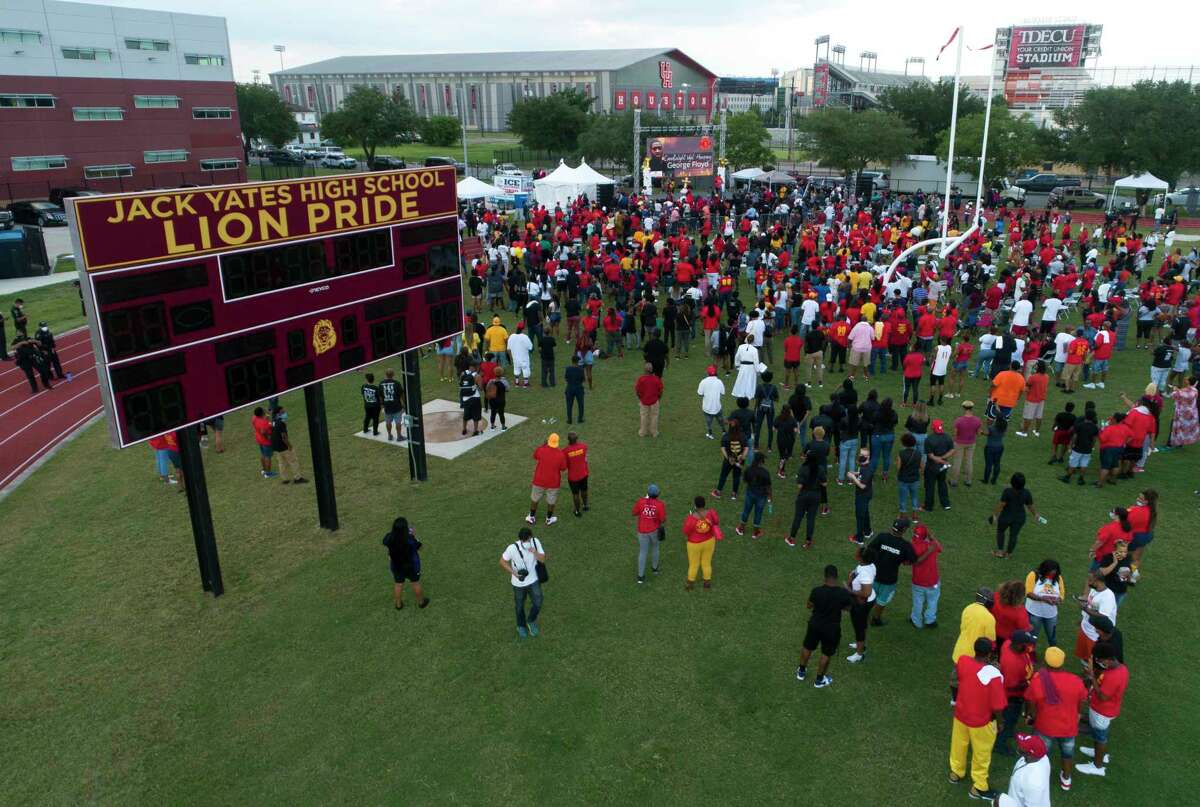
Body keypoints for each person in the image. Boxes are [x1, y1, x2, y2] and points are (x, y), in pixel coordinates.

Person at [1023, 646, 1088, 792]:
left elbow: (1030, 702)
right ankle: (1066, 779)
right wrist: (1078, 713)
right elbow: (1082, 699)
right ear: (1063, 663)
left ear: (1045, 663)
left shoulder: (1038, 680)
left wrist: (1031, 717)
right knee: (1067, 754)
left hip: (1045, 726)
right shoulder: (1075, 680)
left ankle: (1038, 779)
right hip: (1068, 727)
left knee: (1041, 754)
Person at [948, 637, 1005, 801]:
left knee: (958, 745)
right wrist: (1000, 722)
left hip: (961, 714)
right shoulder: (994, 675)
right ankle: (979, 787)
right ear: (989, 654)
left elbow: (959, 680)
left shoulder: (963, 660)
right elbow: (998, 706)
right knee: (982, 753)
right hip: (982, 721)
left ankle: (956, 773)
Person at [796, 564, 855, 689]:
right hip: (831, 628)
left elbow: (809, 605)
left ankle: (801, 672)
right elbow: (849, 608)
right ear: (836, 577)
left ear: (825, 577)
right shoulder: (843, 593)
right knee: (826, 654)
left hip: (815, 624)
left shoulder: (817, 591)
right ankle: (819, 680)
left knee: (808, 647)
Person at [1076, 642, 1129, 779]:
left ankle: (1097, 766)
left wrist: (1092, 677)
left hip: (1102, 711)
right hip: (1106, 710)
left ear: (1107, 659)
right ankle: (1098, 753)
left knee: (1100, 737)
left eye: (1099, 660)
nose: (1098, 662)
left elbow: (1102, 696)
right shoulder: (1122, 668)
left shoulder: (1113, 676)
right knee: (1098, 734)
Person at [866, 518, 916, 626]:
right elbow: (912, 560)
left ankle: (863, 614)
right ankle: (876, 619)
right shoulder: (905, 545)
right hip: (889, 580)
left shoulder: (882, 537)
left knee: (870, 596)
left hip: (874, 575)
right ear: (904, 530)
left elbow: (870, 549)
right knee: (882, 601)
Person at [952, 587, 997, 701]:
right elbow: (991, 641)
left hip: (960, 650)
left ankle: (954, 700)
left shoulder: (968, 608)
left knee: (956, 679)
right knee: (971, 681)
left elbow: (963, 627)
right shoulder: (989, 618)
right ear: (987, 601)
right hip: (976, 655)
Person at [996, 631, 1036, 756]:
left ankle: (1008, 731)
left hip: (1018, 693)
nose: (1029, 647)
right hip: (1012, 698)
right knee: (1008, 719)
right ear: (1019, 645)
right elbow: (1011, 686)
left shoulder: (1008, 644)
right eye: (1027, 644)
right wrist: (1029, 683)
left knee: (1012, 719)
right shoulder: (1012, 663)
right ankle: (1000, 745)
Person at [500, 527, 546, 638]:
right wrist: (514, 573)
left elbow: (542, 559)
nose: (527, 542)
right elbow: (502, 561)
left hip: (533, 580)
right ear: (520, 539)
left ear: (531, 537)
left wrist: (534, 552)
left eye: (528, 539)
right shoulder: (512, 548)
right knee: (519, 606)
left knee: (538, 601)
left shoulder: (535, 542)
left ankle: (530, 620)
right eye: (525, 540)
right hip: (518, 584)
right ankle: (521, 626)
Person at [988, 472, 1043, 558]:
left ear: (1012, 482)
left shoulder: (1007, 492)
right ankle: (1008, 554)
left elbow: (1001, 505)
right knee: (1013, 535)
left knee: (1000, 531)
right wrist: (1036, 514)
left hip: (1006, 516)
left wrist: (995, 515)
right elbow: (1030, 506)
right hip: (1019, 518)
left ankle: (999, 552)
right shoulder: (1026, 493)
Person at [383, 517, 428, 610]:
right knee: (415, 583)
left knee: (398, 584)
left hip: (396, 566)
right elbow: (420, 547)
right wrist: (414, 536)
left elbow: (386, 542)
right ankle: (421, 602)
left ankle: (398, 605)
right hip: (411, 566)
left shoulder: (389, 537)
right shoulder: (410, 539)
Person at [997, 734, 1053, 807]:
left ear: (1030, 755)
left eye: (1021, 749)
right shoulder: (1042, 757)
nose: (1018, 747)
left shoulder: (1033, 784)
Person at [1074, 571, 1118, 664]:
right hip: (1085, 628)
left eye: (1090, 580)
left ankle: (1093, 675)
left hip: (1095, 635)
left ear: (1097, 581)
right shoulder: (1094, 589)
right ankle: (1086, 668)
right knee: (1084, 656)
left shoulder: (1108, 596)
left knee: (1095, 659)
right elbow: (1091, 605)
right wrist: (1083, 618)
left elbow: (1103, 616)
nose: (1088, 583)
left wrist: (1085, 609)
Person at [682, 495, 721, 591]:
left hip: (694, 544)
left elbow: (686, 531)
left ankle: (690, 585)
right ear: (704, 504)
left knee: (693, 564)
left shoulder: (691, 518)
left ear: (695, 505)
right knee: (706, 563)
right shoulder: (711, 513)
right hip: (709, 541)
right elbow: (716, 521)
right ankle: (707, 584)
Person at [528, 433, 567, 526]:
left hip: (539, 479)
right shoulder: (561, 454)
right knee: (551, 501)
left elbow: (535, 456)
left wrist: (543, 445)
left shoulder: (541, 449)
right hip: (553, 481)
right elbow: (563, 468)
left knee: (535, 498)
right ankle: (548, 519)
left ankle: (531, 517)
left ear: (548, 441)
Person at [631, 483, 667, 584]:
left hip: (642, 531)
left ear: (648, 493)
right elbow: (663, 519)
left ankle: (640, 577)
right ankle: (655, 569)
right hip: (654, 531)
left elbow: (634, 512)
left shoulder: (641, 501)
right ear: (658, 494)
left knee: (643, 552)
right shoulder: (660, 505)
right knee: (655, 548)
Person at [909, 523, 942, 629]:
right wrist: (932, 538)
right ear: (926, 535)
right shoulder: (932, 545)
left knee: (918, 602)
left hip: (918, 581)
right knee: (933, 601)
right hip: (933, 581)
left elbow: (908, 561)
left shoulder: (911, 546)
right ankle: (930, 620)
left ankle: (916, 621)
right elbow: (940, 549)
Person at [1025, 560, 1064, 647]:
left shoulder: (1058, 578)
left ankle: (1053, 654)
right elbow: (1028, 593)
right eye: (1051, 571)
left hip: (1051, 615)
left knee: (1052, 637)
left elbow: (1061, 595)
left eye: (1055, 571)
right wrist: (1043, 599)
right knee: (1033, 636)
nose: (1053, 573)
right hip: (1035, 613)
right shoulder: (1033, 575)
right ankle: (1031, 654)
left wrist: (1058, 601)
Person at [846, 546, 875, 664]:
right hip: (866, 601)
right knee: (862, 624)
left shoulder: (865, 573)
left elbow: (866, 593)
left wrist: (849, 590)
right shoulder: (869, 565)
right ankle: (860, 643)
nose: (856, 552)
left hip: (862, 603)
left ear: (861, 557)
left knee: (859, 628)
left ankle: (859, 653)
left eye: (858, 552)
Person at [735, 453, 772, 539]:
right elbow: (768, 487)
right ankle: (755, 532)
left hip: (750, 493)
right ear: (761, 461)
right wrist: (770, 497)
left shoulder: (749, 469)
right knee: (758, 513)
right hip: (761, 496)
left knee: (746, 511)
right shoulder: (765, 472)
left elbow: (745, 480)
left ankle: (741, 529)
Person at [923, 419, 956, 512]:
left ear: (933, 428)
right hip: (943, 467)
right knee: (942, 483)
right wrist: (943, 459)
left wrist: (939, 460)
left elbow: (930, 455)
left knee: (930, 486)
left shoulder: (929, 439)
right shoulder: (948, 437)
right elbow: (952, 450)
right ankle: (946, 504)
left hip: (931, 467)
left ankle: (928, 506)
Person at [1059, 410, 1099, 485]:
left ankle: (1067, 477)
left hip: (1078, 448)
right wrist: (1092, 446)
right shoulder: (1095, 427)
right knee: (1084, 464)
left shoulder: (1080, 425)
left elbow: (1075, 436)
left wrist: (1071, 445)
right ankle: (1081, 479)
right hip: (1088, 449)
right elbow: (1094, 439)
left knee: (1073, 462)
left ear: (1085, 416)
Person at [270, 405, 306, 484]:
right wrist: (289, 445)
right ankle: (298, 478)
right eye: (283, 412)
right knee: (293, 461)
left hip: (275, 446)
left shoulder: (274, 421)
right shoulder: (281, 423)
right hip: (283, 446)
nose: (285, 413)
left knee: (281, 463)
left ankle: (285, 479)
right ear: (278, 413)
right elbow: (284, 436)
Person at [713, 420, 748, 500]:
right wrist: (742, 457)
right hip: (739, 460)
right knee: (736, 476)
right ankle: (734, 494)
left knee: (723, 475)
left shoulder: (726, 436)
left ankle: (718, 492)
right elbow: (746, 448)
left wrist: (728, 458)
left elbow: (723, 448)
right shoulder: (742, 435)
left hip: (729, 460)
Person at [846, 447, 874, 545]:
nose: (861, 456)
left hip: (863, 495)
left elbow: (862, 486)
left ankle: (859, 538)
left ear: (868, 457)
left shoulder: (867, 469)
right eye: (860, 454)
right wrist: (856, 473)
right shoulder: (864, 466)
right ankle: (868, 532)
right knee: (865, 513)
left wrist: (853, 477)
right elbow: (862, 473)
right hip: (866, 494)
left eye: (864, 455)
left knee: (860, 516)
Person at [950, 401, 981, 486]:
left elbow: (954, 434)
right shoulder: (977, 420)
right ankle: (968, 481)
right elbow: (978, 433)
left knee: (957, 461)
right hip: (971, 443)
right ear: (972, 408)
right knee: (969, 461)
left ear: (964, 408)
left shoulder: (958, 420)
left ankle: (954, 481)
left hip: (959, 443)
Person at [1017, 361, 1050, 437]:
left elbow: (1027, 387)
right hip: (1041, 399)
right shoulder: (1046, 376)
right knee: (1039, 416)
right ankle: (1037, 431)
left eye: (1036, 365)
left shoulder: (1033, 377)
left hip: (1032, 399)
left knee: (1028, 416)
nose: (1035, 366)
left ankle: (1024, 432)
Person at [563, 431, 589, 517]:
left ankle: (577, 511)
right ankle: (585, 505)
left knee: (575, 494)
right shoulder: (584, 447)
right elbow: (585, 459)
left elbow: (565, 466)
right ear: (577, 439)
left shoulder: (565, 451)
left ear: (568, 440)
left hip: (573, 477)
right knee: (584, 490)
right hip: (584, 473)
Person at [635, 363, 664, 437]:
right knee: (654, 416)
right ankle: (654, 432)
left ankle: (643, 432)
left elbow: (637, 390)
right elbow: (660, 390)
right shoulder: (656, 379)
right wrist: (658, 399)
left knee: (644, 416)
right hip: (654, 401)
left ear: (645, 370)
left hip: (644, 401)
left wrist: (640, 398)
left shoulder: (641, 379)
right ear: (652, 370)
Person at [697, 365, 725, 438]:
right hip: (717, 406)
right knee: (720, 419)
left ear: (707, 373)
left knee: (708, 422)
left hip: (707, 407)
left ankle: (710, 434)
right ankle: (724, 431)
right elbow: (723, 393)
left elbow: (700, 393)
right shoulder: (719, 381)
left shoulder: (703, 381)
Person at [732, 334, 761, 399]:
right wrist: (757, 370)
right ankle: (749, 393)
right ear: (753, 341)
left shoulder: (741, 347)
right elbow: (756, 361)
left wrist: (737, 364)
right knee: (749, 380)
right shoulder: (754, 349)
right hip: (751, 368)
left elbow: (737, 356)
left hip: (743, 366)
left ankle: (739, 392)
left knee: (741, 379)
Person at [250, 407, 277, 478]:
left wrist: (266, 418)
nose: (264, 410)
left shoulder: (254, 417)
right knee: (268, 456)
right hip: (266, 441)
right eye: (263, 410)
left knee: (263, 454)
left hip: (259, 439)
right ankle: (268, 473)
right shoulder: (263, 422)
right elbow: (263, 431)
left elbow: (257, 425)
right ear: (262, 413)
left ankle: (264, 470)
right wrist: (268, 437)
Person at [379, 369, 405, 441]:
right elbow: (402, 395)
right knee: (398, 422)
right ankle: (399, 436)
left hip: (387, 407)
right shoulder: (397, 383)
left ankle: (389, 435)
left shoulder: (381, 384)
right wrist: (404, 404)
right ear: (393, 375)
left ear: (385, 375)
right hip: (396, 406)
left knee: (388, 422)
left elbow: (380, 397)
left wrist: (382, 406)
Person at [458, 361, 483, 436]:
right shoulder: (477, 376)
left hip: (465, 398)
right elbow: (481, 388)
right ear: (476, 367)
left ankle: (464, 429)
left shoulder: (463, 373)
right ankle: (475, 431)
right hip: (475, 398)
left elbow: (461, 383)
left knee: (466, 415)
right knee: (476, 415)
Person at [981, 417, 1008, 485]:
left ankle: (986, 480)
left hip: (990, 447)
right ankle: (994, 480)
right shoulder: (1004, 428)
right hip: (1000, 447)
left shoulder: (992, 428)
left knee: (988, 464)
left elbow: (985, 433)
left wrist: (981, 431)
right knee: (997, 464)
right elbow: (1004, 435)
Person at [507, 323, 533, 387]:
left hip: (515, 357)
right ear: (523, 329)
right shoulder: (525, 337)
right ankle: (526, 384)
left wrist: (511, 357)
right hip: (524, 358)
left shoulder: (512, 336)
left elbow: (508, 348)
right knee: (526, 369)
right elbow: (530, 347)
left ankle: (517, 383)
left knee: (516, 369)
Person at [563, 355, 586, 424]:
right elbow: (583, 379)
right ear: (578, 361)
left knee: (569, 405)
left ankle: (569, 420)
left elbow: (566, 378)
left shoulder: (568, 369)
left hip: (570, 387)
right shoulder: (581, 369)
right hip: (579, 388)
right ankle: (580, 419)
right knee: (580, 404)